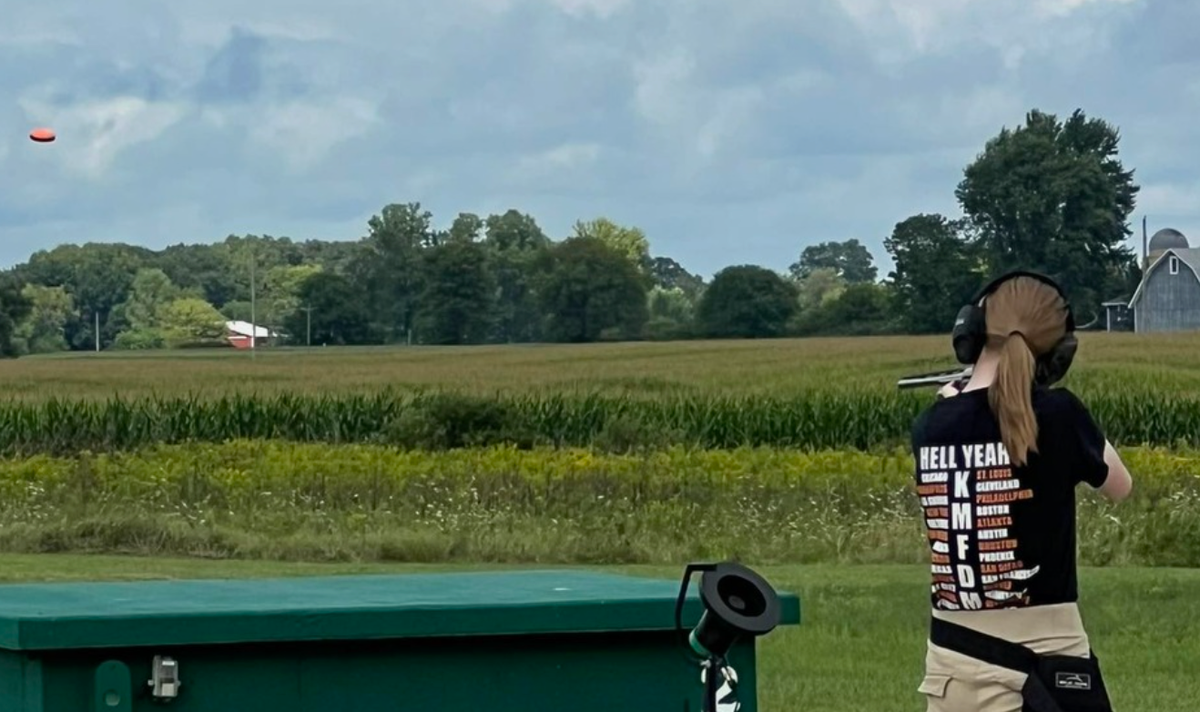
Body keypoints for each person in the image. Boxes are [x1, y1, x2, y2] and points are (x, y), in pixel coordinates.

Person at [910, 273, 1132, 712]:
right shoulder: (1058, 414)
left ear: (972, 330)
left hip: (952, 667)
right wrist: (1052, 405)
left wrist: (953, 401)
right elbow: (1120, 485)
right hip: (1048, 664)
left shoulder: (930, 425)